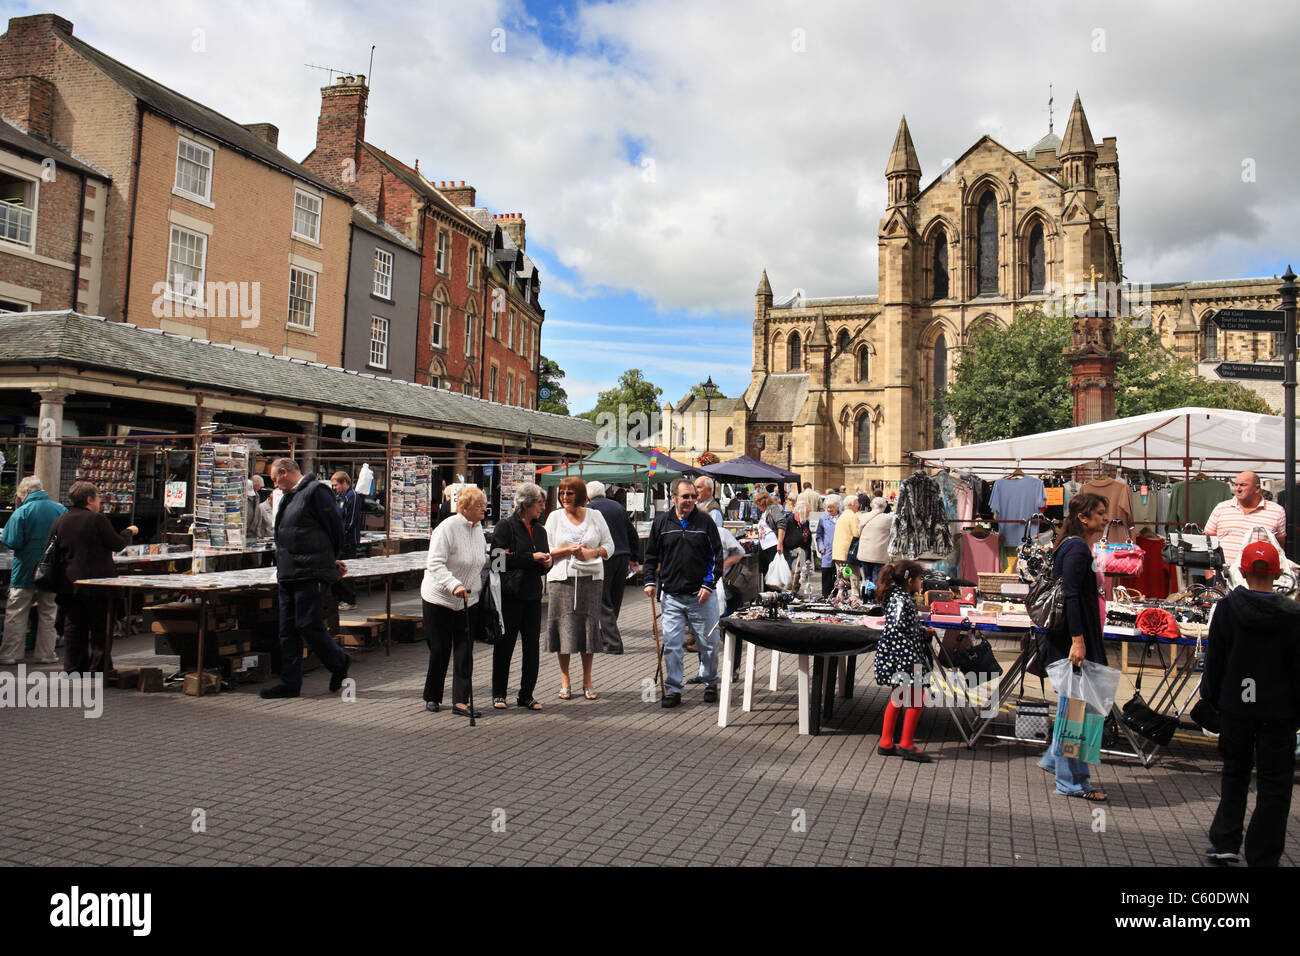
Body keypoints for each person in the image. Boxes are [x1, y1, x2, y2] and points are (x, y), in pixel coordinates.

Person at [1203, 540, 1300, 866]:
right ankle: (1263, 854)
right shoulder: (1293, 615)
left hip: (1236, 704)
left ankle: (1226, 841)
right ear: (1278, 573)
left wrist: (1213, 699)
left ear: (1242, 571)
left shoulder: (1228, 609)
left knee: (1235, 774)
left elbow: (1215, 659)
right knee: (1275, 784)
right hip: (1279, 709)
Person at [1036, 492, 1110, 800]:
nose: (1106, 518)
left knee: (1077, 708)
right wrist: (1078, 641)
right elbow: (1072, 595)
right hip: (1074, 643)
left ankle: (1056, 760)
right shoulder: (1078, 549)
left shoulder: (1071, 545)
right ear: (1084, 517)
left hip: (1074, 640)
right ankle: (1073, 782)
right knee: (1079, 714)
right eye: (1101, 513)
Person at [260, 459, 352, 699]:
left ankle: (338, 661)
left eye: (274, 478)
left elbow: (335, 530)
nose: (274, 484)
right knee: (287, 629)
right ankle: (290, 683)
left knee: (307, 624)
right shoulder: (290, 495)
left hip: (309, 572)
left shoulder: (315, 491)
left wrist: (329, 560)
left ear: (284, 472)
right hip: (288, 572)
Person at [643, 478, 724, 708]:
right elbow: (651, 556)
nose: (690, 500)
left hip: (701, 596)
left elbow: (717, 557)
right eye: (685, 496)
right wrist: (650, 580)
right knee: (672, 643)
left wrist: (709, 584)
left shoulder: (705, 522)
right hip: (671, 596)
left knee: (708, 644)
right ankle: (673, 688)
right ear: (673, 497)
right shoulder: (661, 523)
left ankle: (710, 681)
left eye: (693, 496)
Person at [47, 481, 136, 674]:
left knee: (74, 627)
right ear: (89, 499)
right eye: (98, 498)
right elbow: (117, 544)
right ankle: (100, 666)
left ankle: (74, 667)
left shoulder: (60, 521)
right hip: (98, 584)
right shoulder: (97, 520)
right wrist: (129, 532)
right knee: (100, 628)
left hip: (70, 584)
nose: (99, 502)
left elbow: (52, 551)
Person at [545, 477, 615, 701]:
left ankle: (587, 680)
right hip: (562, 579)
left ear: (580, 495)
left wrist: (592, 553)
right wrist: (566, 550)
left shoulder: (595, 516)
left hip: (590, 579)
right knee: (563, 627)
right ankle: (565, 680)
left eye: (570, 493)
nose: (565, 497)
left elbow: (610, 546)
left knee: (588, 628)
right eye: (562, 492)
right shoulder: (554, 517)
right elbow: (545, 550)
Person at [421, 485, 488, 717]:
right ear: (465, 507)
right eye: (480, 506)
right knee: (440, 649)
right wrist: (454, 584)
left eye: (484, 505)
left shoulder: (479, 529)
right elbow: (435, 563)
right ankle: (432, 696)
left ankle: (460, 701)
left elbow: (479, 558)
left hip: (468, 599)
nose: (484, 509)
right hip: (439, 597)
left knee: (464, 650)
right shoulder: (447, 528)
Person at [490, 483, 551, 710]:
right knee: (504, 645)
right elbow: (497, 561)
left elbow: (542, 562)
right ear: (525, 504)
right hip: (510, 596)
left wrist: (546, 562)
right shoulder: (505, 527)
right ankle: (499, 693)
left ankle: (526, 694)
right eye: (539, 503)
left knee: (531, 646)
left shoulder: (540, 530)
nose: (542, 508)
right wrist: (529, 558)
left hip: (533, 595)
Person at [0, 476, 68, 665]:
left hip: (24, 570)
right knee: (48, 613)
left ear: (25, 493)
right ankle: (45, 653)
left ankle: (9, 654)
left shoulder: (21, 512)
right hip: (51, 571)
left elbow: (11, 541)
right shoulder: (60, 509)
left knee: (16, 613)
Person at [873, 560, 934, 762]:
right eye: (919, 579)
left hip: (901, 656)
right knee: (917, 697)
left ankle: (886, 742)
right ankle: (906, 744)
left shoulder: (899, 597)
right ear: (910, 581)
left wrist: (923, 631)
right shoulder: (902, 600)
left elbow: (903, 626)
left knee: (897, 698)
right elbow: (897, 629)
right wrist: (909, 658)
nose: (921, 583)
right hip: (905, 657)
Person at [584, 480, 636, 654]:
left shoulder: (590, 510)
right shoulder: (617, 507)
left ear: (588, 495)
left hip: (604, 556)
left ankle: (613, 642)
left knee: (602, 599)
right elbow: (631, 532)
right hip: (622, 556)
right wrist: (635, 556)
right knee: (615, 598)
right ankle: (607, 634)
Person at [1205, 471, 1287, 570]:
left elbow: (1279, 546)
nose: (1238, 489)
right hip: (1222, 576)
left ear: (1257, 488)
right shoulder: (1221, 508)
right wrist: (1209, 574)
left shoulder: (1276, 511)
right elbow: (1208, 542)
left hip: (1258, 578)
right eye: (1236, 485)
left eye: (1243, 485)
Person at [330, 471, 362, 610]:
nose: (334, 488)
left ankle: (349, 600)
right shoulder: (340, 497)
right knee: (336, 570)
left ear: (344, 483)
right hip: (338, 540)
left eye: (336, 485)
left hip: (348, 541)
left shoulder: (352, 496)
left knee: (346, 570)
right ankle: (339, 598)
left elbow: (350, 520)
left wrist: (341, 535)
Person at [856, 497, 894, 592]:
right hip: (879, 553)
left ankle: (866, 596)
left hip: (864, 552)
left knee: (866, 577)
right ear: (884, 507)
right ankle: (874, 598)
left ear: (872, 505)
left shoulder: (863, 516)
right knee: (877, 578)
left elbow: (859, 532)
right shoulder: (888, 518)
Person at [831, 494, 862, 593]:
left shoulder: (842, 516)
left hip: (838, 552)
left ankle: (840, 596)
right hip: (848, 552)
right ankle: (855, 596)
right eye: (857, 503)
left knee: (841, 577)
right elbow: (856, 534)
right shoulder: (853, 517)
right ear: (851, 504)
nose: (858, 505)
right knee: (853, 576)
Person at [753, 490, 784, 577]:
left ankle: (773, 590)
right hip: (765, 546)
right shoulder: (765, 511)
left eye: (758, 504)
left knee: (772, 573)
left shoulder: (773, 509)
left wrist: (780, 543)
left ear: (762, 503)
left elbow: (781, 524)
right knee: (767, 572)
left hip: (772, 546)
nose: (757, 507)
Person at [815, 495, 840, 597]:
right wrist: (821, 547)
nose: (829, 509)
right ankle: (826, 595)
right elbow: (819, 535)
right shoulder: (823, 518)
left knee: (839, 574)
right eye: (827, 507)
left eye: (831, 507)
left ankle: (838, 595)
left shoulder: (842, 517)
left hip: (839, 550)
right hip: (827, 550)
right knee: (826, 573)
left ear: (837, 507)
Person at [246, 474, 273, 539]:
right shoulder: (246, 495)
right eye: (255, 489)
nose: (256, 491)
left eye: (258, 489)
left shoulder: (257, 496)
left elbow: (257, 516)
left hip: (253, 534)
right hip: (246, 530)